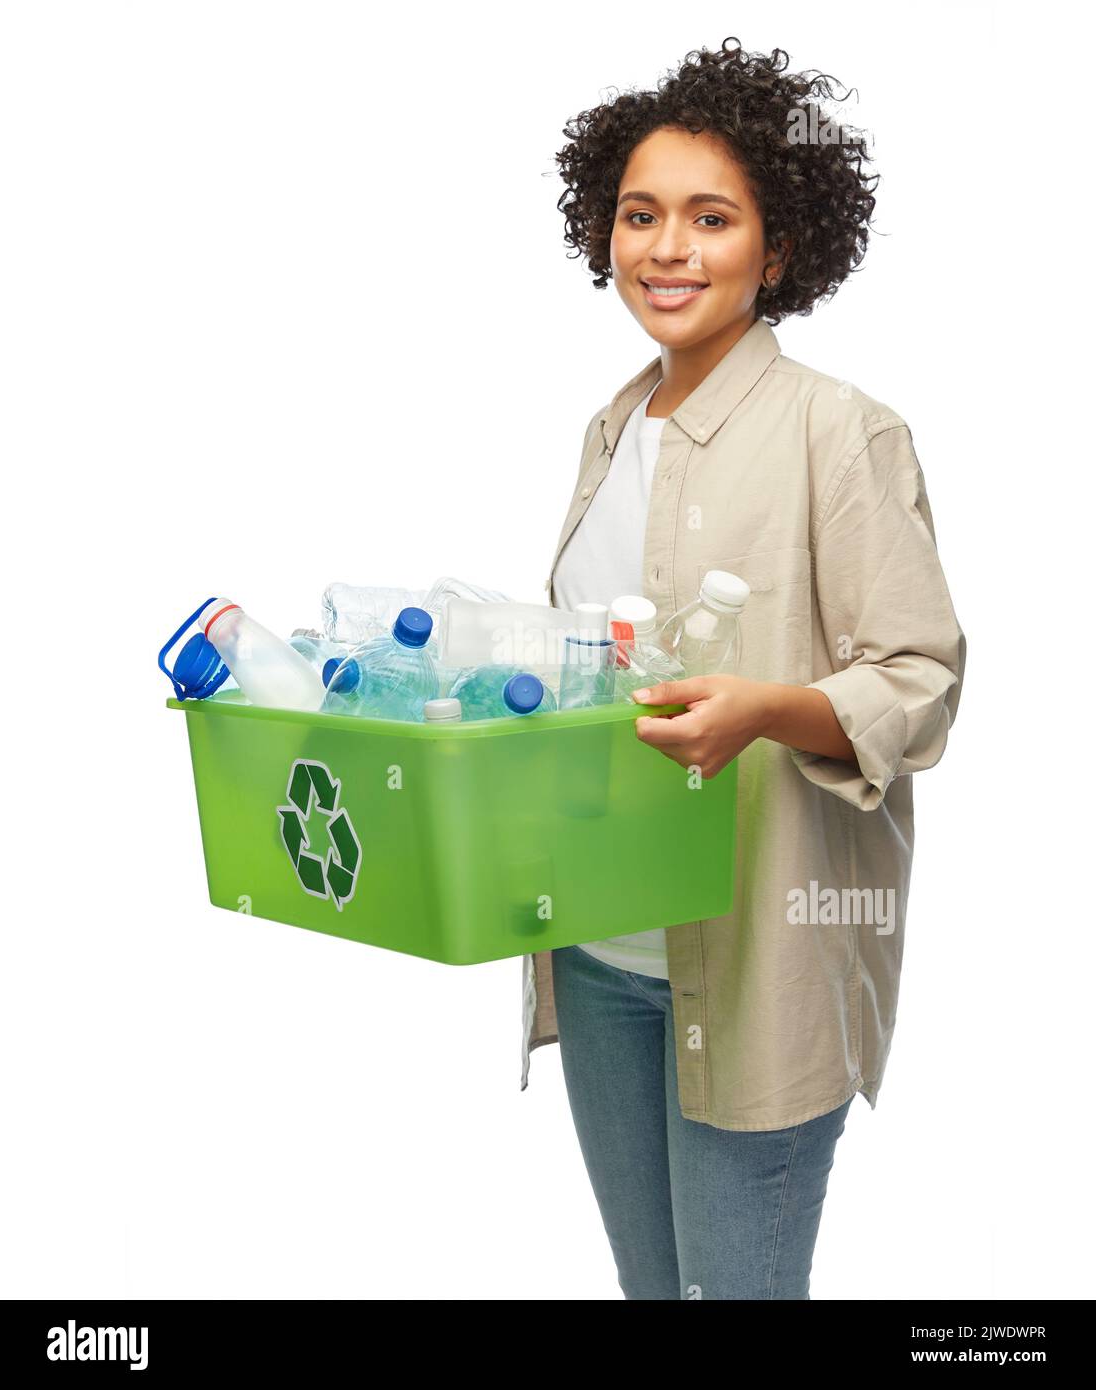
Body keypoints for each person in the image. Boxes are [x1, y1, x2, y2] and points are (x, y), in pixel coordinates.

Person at [520, 37, 967, 1300]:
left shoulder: (843, 432)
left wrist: (769, 709)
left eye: (710, 218)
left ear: (775, 251)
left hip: (756, 962)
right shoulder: (611, 430)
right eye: (640, 215)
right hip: (605, 955)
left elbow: (921, 679)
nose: (668, 248)